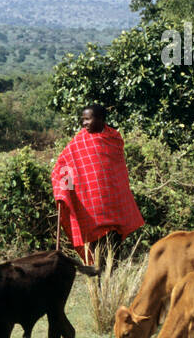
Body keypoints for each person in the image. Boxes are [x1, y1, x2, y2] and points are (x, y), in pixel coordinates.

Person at [51, 104, 144, 264]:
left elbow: (118, 174)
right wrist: (63, 190)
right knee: (98, 255)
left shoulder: (114, 139)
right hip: (91, 210)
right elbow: (63, 165)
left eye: (88, 119)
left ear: (101, 119)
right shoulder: (77, 143)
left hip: (114, 208)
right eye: (83, 120)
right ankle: (100, 284)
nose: (84, 123)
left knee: (114, 254)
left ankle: (111, 285)